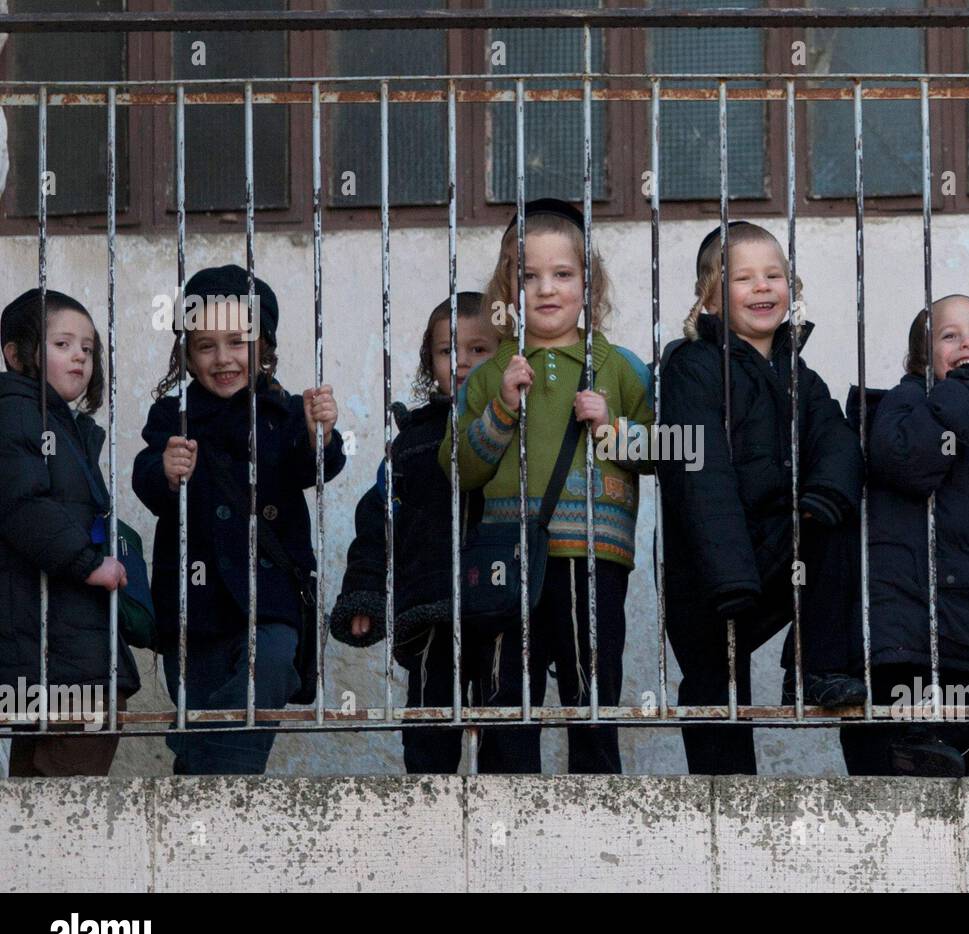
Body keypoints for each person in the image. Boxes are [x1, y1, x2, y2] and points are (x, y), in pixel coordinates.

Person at [440, 198, 654, 774]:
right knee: (508, 696)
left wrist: (612, 428)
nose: (546, 289)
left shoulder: (622, 367)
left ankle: (596, 810)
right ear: (509, 290)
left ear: (589, 282)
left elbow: (672, 451)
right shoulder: (490, 374)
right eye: (529, 276)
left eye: (562, 274)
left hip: (593, 555)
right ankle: (504, 817)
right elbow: (456, 468)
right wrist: (502, 411)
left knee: (592, 694)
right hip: (508, 558)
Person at [658, 220, 865, 776]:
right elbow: (698, 474)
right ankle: (720, 800)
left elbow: (839, 441)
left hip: (776, 550)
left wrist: (822, 498)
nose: (763, 287)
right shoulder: (691, 365)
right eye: (743, 278)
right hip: (710, 570)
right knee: (714, 682)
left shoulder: (800, 375)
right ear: (710, 294)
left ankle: (818, 667)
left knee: (837, 516)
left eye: (774, 275)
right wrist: (727, 575)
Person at [133, 265, 345, 775]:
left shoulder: (285, 411)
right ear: (186, 353)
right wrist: (163, 470)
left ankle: (199, 776)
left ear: (264, 346)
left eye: (237, 341)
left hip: (269, 597)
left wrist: (320, 435)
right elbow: (148, 482)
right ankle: (208, 793)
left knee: (271, 661)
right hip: (194, 604)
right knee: (203, 704)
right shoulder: (171, 416)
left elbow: (314, 467)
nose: (223, 358)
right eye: (206, 345)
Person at [840, 294, 969, 777]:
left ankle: (920, 763)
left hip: (967, 612)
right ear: (920, 358)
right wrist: (967, 394)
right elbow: (908, 462)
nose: (968, 342)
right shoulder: (903, 402)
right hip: (900, 621)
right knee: (883, 747)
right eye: (949, 336)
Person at [330, 292, 499, 773]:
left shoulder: (515, 427)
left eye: (478, 350)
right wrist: (364, 593)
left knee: (506, 719)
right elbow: (378, 517)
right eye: (448, 351)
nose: (462, 362)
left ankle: (507, 817)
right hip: (428, 606)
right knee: (428, 722)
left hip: (498, 604)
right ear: (430, 361)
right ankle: (429, 811)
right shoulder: (412, 440)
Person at [0, 288, 141, 776]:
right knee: (67, 785)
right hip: (57, 644)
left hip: (62, 637)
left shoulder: (61, 425)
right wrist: (88, 564)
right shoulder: (17, 413)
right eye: (62, 344)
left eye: (88, 346)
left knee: (38, 790)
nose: (80, 354)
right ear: (17, 354)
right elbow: (22, 506)